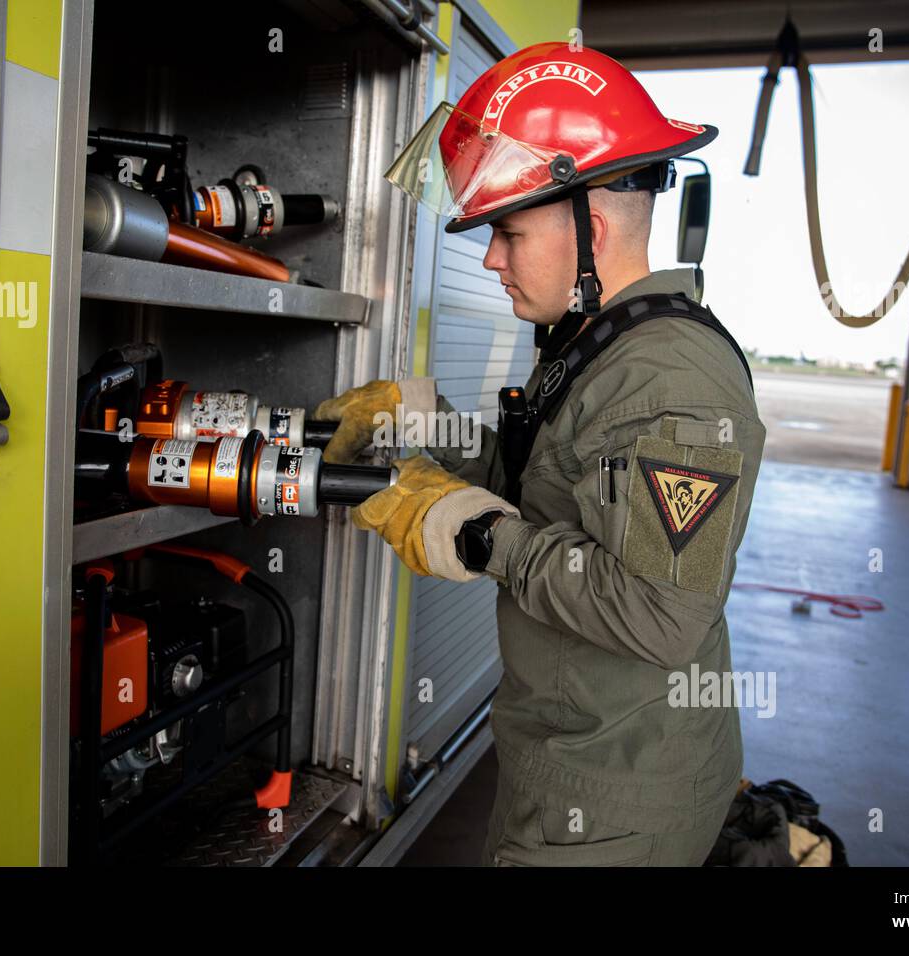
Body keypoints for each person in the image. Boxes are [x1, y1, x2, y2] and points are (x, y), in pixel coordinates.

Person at [315, 41, 765, 866]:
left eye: (508, 234)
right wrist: (427, 420)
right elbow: (544, 486)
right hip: (566, 760)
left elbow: (661, 615)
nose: (490, 259)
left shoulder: (672, 381)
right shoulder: (595, 340)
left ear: (589, 229)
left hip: (615, 802)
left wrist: (476, 535)